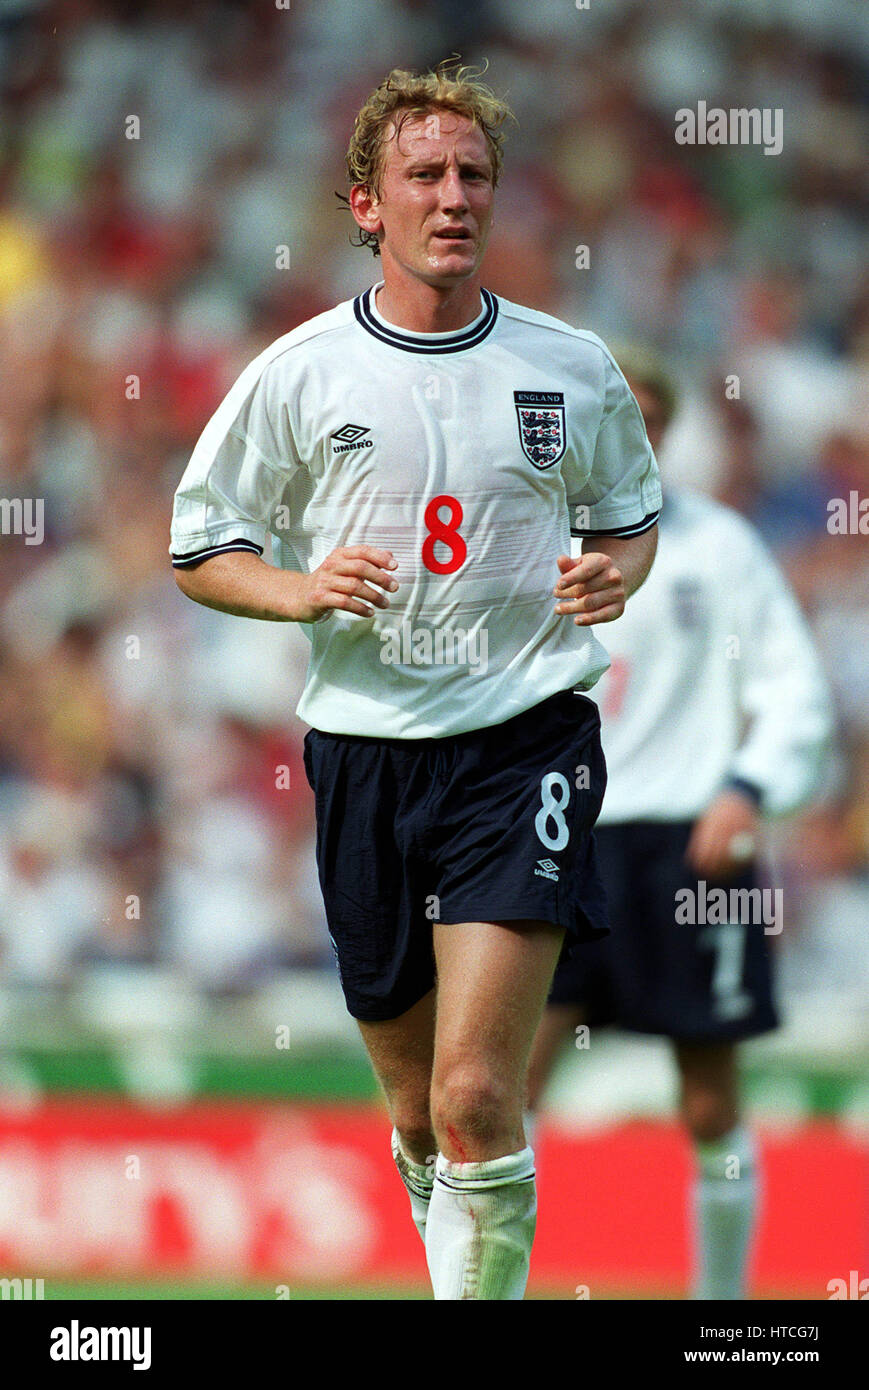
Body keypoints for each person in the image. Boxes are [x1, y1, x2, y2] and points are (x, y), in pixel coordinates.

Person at [169, 63, 661, 1300]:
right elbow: (200, 545)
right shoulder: (299, 372)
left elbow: (628, 520)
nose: (453, 198)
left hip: (524, 741)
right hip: (362, 752)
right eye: (423, 176)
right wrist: (299, 588)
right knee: (414, 1110)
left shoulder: (571, 364)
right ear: (365, 207)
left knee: (475, 1093)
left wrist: (612, 575)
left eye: (473, 176)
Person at [526, 346, 835, 1300]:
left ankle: (722, 1312)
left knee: (708, 1102)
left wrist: (748, 786)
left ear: (665, 427)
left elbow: (793, 687)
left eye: (652, 414)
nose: (636, 427)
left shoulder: (718, 547)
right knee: (493, 1092)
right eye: (618, 410)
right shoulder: (530, 544)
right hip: (556, 842)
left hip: (686, 853)